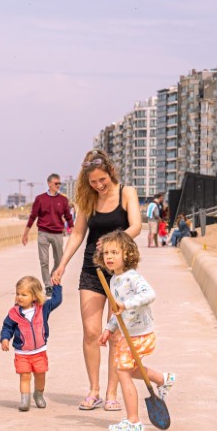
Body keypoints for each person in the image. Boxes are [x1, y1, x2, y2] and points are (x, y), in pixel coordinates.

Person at [50, 149, 142, 413]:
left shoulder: (127, 192)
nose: (99, 186)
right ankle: (94, 390)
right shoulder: (87, 198)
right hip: (92, 269)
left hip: (121, 273)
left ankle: (113, 392)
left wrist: (114, 241)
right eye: (93, 182)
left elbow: (136, 226)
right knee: (91, 332)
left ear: (110, 172)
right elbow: (78, 234)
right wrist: (62, 263)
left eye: (102, 180)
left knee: (114, 334)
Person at [94, 231, 176, 431]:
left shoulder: (132, 277)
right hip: (126, 334)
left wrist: (126, 304)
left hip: (139, 333)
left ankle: (133, 420)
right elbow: (117, 311)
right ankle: (162, 379)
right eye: (106, 253)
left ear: (127, 254)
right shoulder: (114, 280)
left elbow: (149, 294)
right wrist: (109, 328)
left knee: (122, 372)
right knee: (128, 370)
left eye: (114, 252)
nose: (109, 257)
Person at [0, 276, 63, 412]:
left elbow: (57, 300)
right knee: (25, 375)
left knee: (40, 375)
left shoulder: (43, 308)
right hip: (22, 353)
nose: (19, 297)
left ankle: (38, 394)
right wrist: (5, 339)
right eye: (17, 294)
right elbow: (7, 327)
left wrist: (57, 286)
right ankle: (25, 400)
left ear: (34, 296)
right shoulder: (14, 313)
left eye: (24, 294)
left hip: (39, 351)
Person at [22, 173, 74, 288]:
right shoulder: (40, 199)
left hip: (58, 234)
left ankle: (52, 277)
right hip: (43, 233)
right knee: (44, 261)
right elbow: (32, 217)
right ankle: (47, 285)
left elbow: (68, 217)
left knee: (59, 261)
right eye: (56, 183)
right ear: (49, 184)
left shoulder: (63, 200)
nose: (58, 185)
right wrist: (25, 234)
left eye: (59, 183)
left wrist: (73, 231)